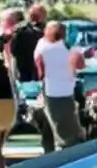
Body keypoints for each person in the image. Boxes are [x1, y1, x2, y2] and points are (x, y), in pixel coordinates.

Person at [34, 21, 84, 151]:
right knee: (69, 118)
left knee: (55, 120)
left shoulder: (42, 46)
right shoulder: (69, 48)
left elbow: (39, 68)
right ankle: (72, 143)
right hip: (67, 87)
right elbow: (80, 65)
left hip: (51, 88)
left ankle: (57, 146)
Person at [9, 3, 45, 83]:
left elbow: (13, 50)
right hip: (35, 70)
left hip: (24, 70)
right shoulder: (46, 31)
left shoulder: (19, 29)